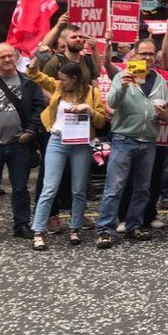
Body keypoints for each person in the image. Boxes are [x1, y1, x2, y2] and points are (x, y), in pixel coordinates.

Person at [95, 38, 168, 249]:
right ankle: (105, 231)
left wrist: (165, 113)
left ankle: (134, 226)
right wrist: (122, 87)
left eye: (151, 54)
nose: (147, 58)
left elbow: (166, 116)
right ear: (134, 55)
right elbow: (111, 104)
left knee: (142, 189)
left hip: (148, 141)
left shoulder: (160, 81)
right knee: (114, 187)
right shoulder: (122, 76)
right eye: (143, 54)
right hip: (123, 139)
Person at [0, 43, 47, 244]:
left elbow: (40, 108)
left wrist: (30, 131)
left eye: (10, 56)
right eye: (1, 57)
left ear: (15, 57)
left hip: (19, 144)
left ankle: (21, 224)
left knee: (20, 188)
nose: (6, 60)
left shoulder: (28, 82)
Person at [26, 60, 107, 250]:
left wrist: (89, 111)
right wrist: (36, 57)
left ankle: (75, 228)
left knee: (78, 189)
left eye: (64, 79)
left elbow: (102, 122)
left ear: (75, 78)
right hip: (58, 141)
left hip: (81, 144)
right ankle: (38, 231)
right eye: (59, 79)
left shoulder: (92, 93)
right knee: (50, 187)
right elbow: (34, 74)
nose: (60, 82)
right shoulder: (57, 87)